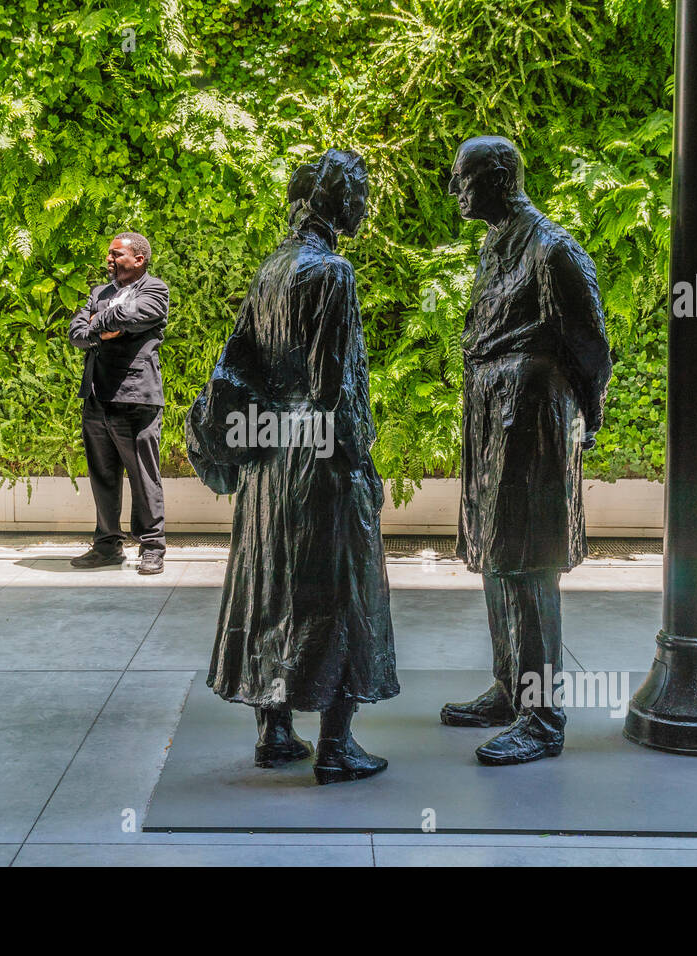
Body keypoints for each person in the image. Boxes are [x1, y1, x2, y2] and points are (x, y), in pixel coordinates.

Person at [185, 149, 399, 784]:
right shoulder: (332, 274)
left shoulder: (273, 268)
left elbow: (242, 366)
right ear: (332, 197)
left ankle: (274, 730)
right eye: (359, 192)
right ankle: (336, 744)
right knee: (339, 591)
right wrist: (362, 465)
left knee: (272, 585)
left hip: (269, 457)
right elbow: (338, 388)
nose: (365, 204)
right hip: (320, 456)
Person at [441, 135, 613, 765]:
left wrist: (584, 421)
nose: (455, 191)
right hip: (494, 413)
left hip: (535, 417)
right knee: (496, 552)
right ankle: (512, 687)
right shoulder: (496, 243)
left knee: (531, 560)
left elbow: (591, 345)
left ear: (497, 176)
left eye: (463, 179)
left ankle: (542, 716)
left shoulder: (552, 247)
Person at [68, 233, 170, 575]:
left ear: (138, 259)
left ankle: (152, 546)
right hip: (97, 396)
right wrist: (104, 326)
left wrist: (99, 322)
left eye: (116, 254)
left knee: (144, 476)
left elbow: (131, 317)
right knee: (103, 475)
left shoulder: (156, 290)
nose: (109, 260)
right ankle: (107, 545)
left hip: (136, 397)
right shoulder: (100, 293)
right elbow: (76, 334)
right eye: (109, 255)